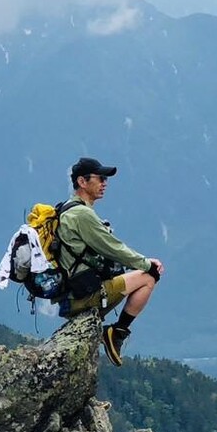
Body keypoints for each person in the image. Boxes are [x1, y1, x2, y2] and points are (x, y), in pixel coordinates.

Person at [57, 156, 164, 366]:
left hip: (72, 295)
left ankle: (114, 332)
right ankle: (117, 333)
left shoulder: (67, 209)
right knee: (149, 277)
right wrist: (146, 264)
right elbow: (114, 248)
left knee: (142, 272)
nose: (105, 183)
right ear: (82, 182)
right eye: (100, 178)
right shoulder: (81, 215)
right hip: (85, 296)